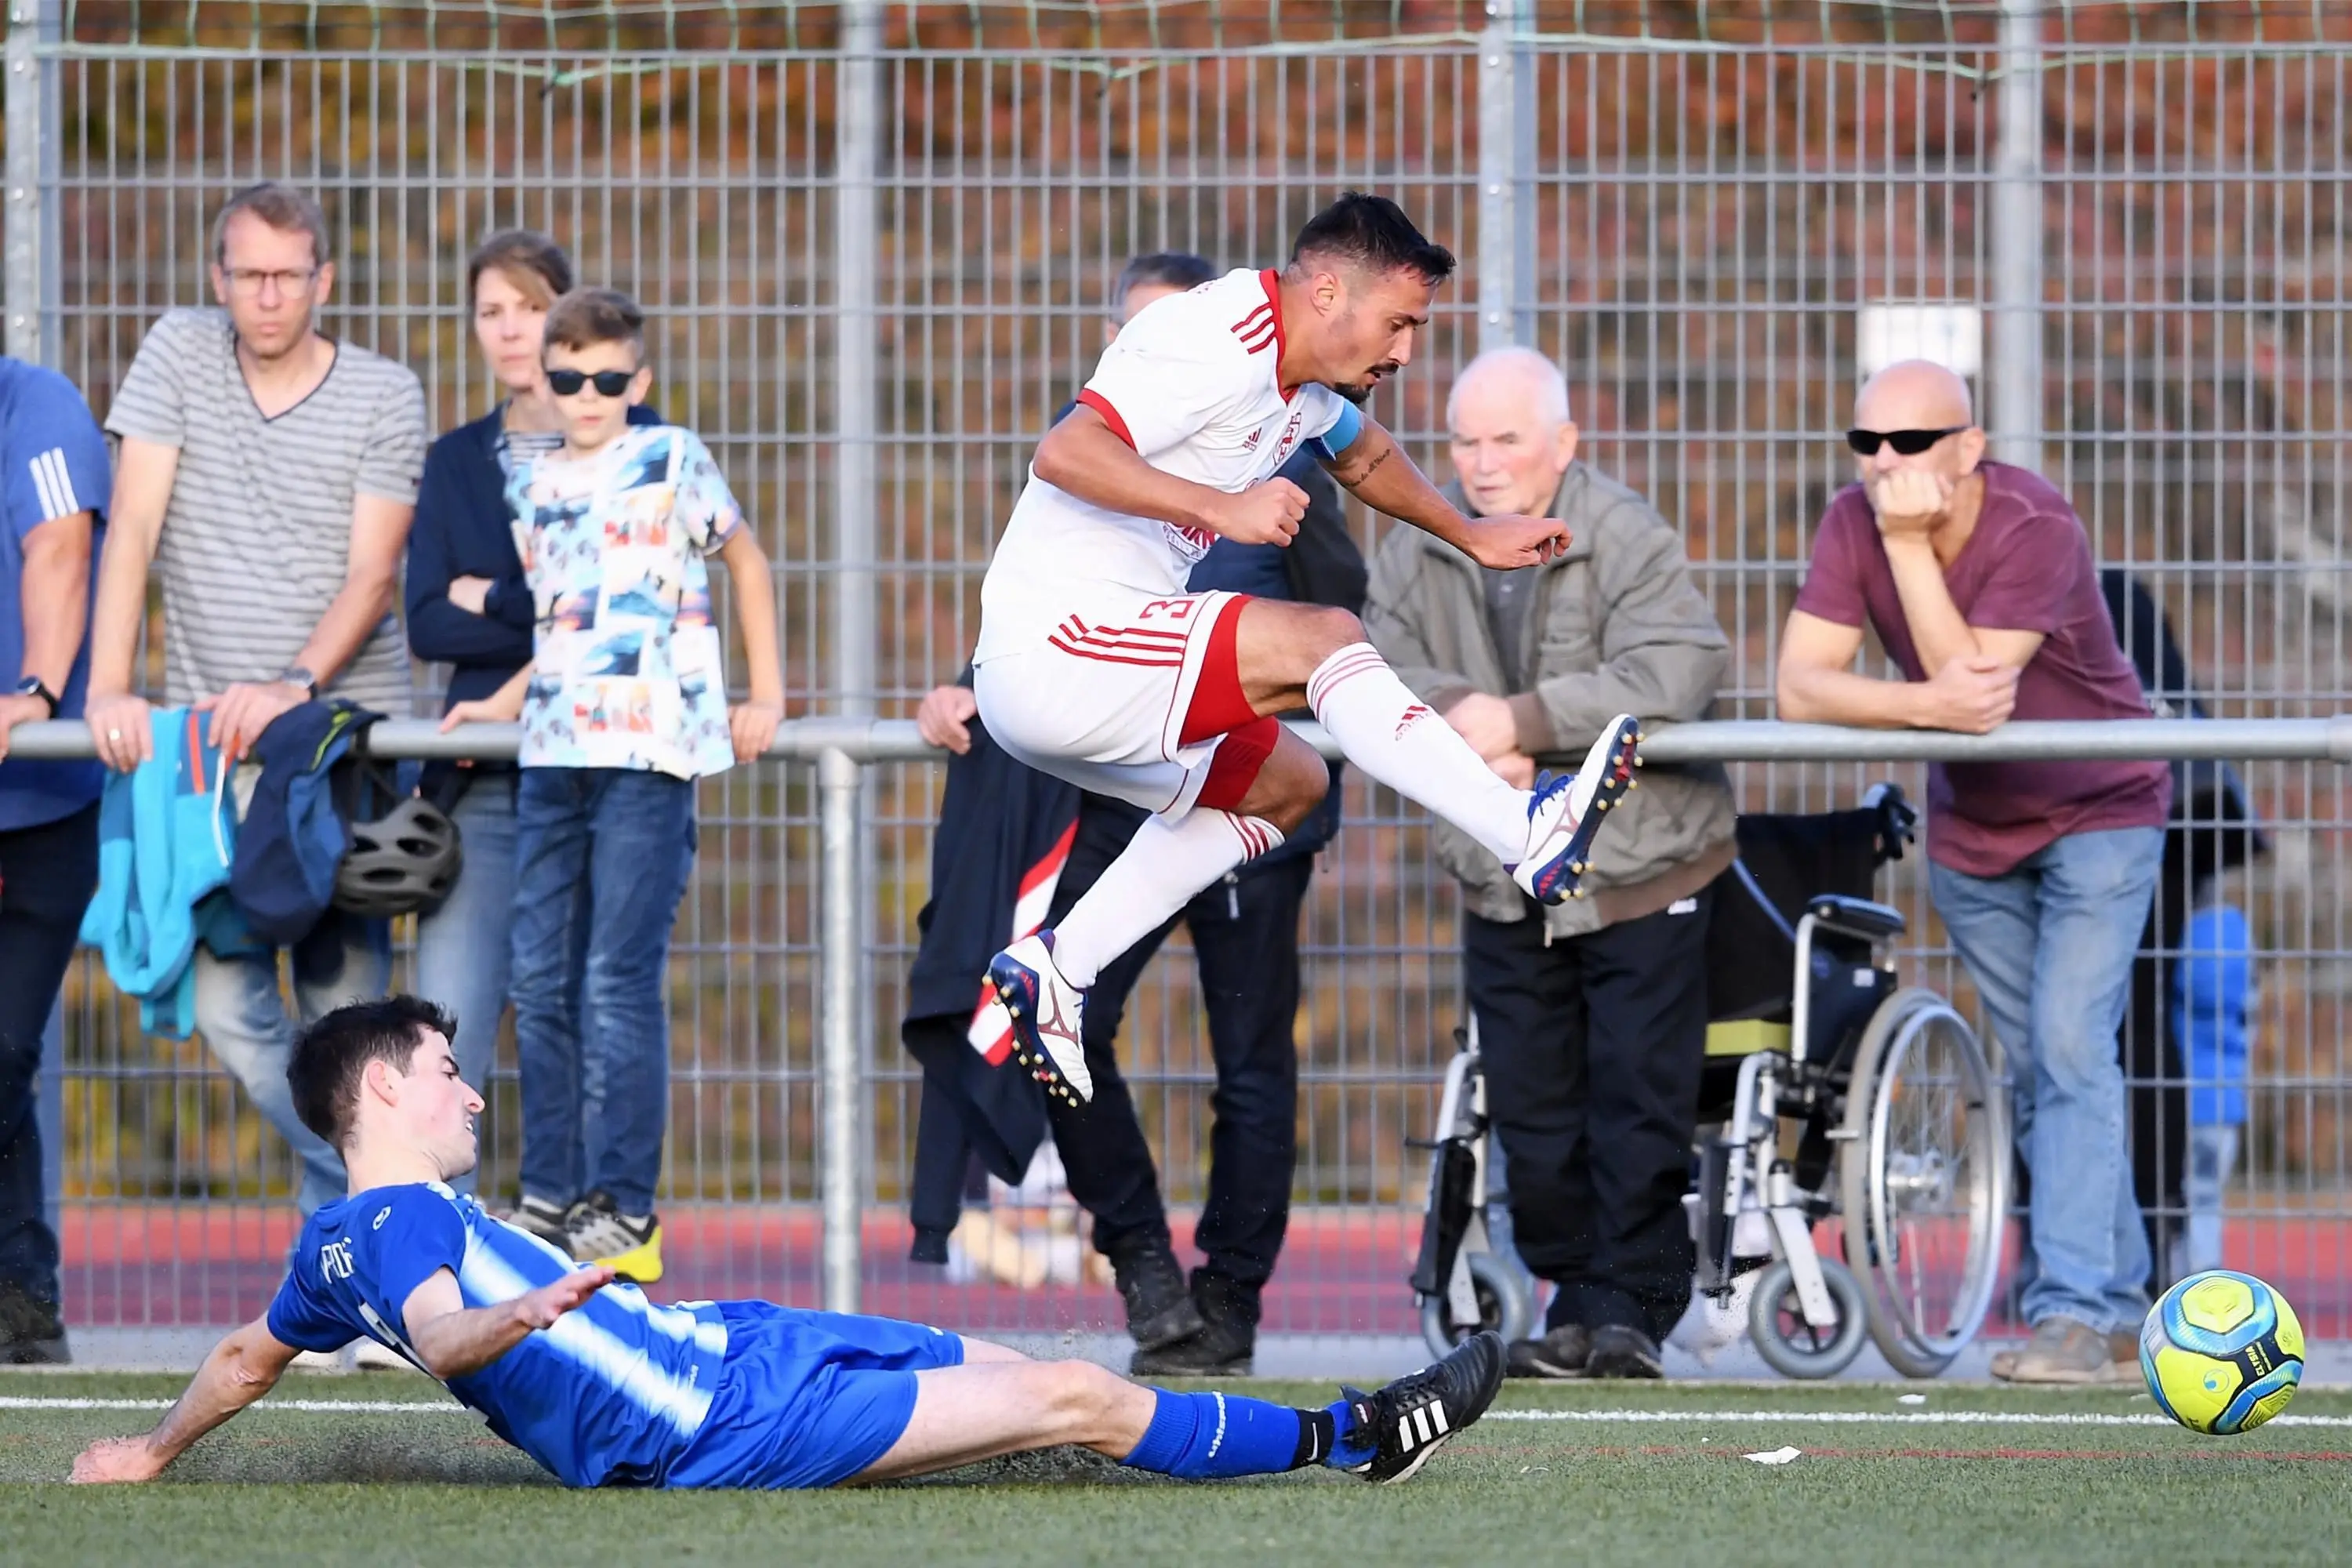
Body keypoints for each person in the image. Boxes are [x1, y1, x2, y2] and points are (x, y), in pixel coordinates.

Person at [67, 996, 1505, 1491]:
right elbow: (441, 1332)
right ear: (382, 1090)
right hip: (720, 1423)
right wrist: (511, 1321)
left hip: (730, 1344)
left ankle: (1075, 1432)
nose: (472, 1091)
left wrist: (152, 1450)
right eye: (447, 1072)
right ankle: (1354, 1441)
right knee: (1074, 1389)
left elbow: (246, 1358)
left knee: (1025, 1372)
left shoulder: (339, 1240)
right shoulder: (398, 1223)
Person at [970, 193, 1642, 1108]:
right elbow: (1065, 451)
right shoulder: (1213, 335)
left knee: (1291, 784)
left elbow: (1366, 458)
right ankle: (1523, 832)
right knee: (1326, 638)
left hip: (1089, 673)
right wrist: (1223, 510)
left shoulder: (1313, 389)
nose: (1407, 350)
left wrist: (1472, 532)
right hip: (1059, 647)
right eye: (1400, 322)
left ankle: (1059, 966)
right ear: (1327, 292)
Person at [1775, 358, 2172, 1385]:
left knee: (2069, 1051)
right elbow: (1801, 690)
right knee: (2045, 1069)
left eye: (1910, 443)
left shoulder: (2037, 524)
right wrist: (1924, 710)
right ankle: (2123, 1313)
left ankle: (2076, 1315)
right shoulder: (1846, 522)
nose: (1883, 466)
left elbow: (1973, 694)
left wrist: (1908, 551)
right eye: (1866, 444)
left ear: (1969, 447)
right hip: (1975, 835)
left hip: (2102, 811)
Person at [1365, 346, 1736, 1381]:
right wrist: (1467, 724)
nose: (1481, 464)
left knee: (1638, 1096)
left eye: (1507, 440)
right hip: (1501, 874)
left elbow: (1681, 664)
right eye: (1465, 441)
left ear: (1564, 443)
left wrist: (1525, 719)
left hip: (1636, 867)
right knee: (1531, 1104)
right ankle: (1572, 1304)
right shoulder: (1416, 546)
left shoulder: (1623, 530)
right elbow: (1371, 662)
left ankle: (1631, 1311)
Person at [82, 180, 427, 1218]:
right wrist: (108, 683)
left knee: (346, 1019)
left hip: (331, 747)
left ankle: (379, 1245)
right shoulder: (179, 354)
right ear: (218, 278)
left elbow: (373, 577)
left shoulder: (383, 391)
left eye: (289, 275)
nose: (269, 296)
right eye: (249, 275)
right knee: (233, 1013)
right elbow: (133, 530)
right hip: (202, 757)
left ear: (323, 280)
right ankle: (376, 1207)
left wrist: (291, 685)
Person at [440, 289, 784, 1283]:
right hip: (553, 751)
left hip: (650, 754)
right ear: (543, 381)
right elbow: (567, 614)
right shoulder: (532, 481)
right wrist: (503, 698)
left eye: (605, 378)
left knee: (612, 980)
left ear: (637, 382)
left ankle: (622, 1202)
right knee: (538, 980)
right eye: (567, 377)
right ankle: (548, 1191)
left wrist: (767, 693)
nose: (586, 395)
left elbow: (746, 561)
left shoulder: (673, 455)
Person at [405, 231, 662, 1203]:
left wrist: (500, 598)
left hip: (609, 768)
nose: (512, 330)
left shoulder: (638, 439)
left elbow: (618, 594)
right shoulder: (455, 460)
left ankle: (601, 1248)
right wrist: (545, 600)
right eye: (490, 310)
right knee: (448, 1024)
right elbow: (427, 617)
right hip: (485, 779)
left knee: (601, 1012)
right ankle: (433, 1271)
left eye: (528, 307)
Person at [0, 357, 112, 1363]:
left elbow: (60, 552)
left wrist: (34, 689)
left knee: (2, 1049)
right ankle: (23, 1302)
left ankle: (22, 1296)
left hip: (34, 806)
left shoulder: (37, 406)